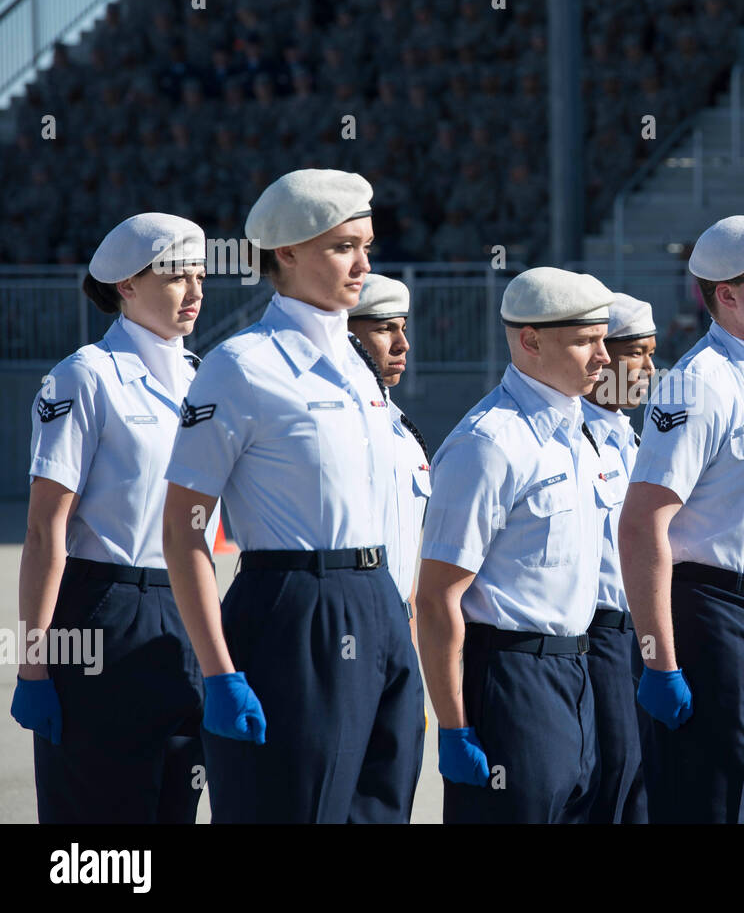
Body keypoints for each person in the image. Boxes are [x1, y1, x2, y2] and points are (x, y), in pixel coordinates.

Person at [162, 169, 424, 823]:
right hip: (296, 612)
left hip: (380, 604)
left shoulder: (358, 369)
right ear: (287, 253)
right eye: (343, 247)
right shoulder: (242, 366)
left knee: (380, 808)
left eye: (367, 245)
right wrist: (218, 671)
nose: (363, 263)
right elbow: (183, 529)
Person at [12, 214, 215, 823]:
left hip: (187, 609)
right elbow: (45, 528)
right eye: (177, 275)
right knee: (99, 823)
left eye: (201, 276)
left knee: (175, 803)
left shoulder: (205, 378)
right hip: (105, 608)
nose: (196, 291)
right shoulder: (84, 375)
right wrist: (32, 661)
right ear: (126, 284)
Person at [620, 215, 744, 824]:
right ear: (727, 295)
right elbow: (641, 525)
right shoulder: (696, 384)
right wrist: (659, 657)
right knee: (714, 804)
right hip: (718, 623)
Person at [417, 267, 612, 824]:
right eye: (584, 341)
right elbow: (435, 599)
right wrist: (454, 726)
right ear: (530, 340)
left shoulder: (576, 435)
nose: (603, 356)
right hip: (512, 678)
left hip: (576, 673)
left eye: (602, 338)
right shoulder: (490, 444)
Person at [581, 292, 657, 824]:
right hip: (597, 639)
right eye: (637, 353)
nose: (651, 369)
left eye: (654, 353)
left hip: (642, 635)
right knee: (607, 786)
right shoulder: (571, 435)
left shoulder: (632, 438)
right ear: (600, 354)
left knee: (642, 793)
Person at [347, 274, 431, 612]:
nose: (402, 344)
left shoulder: (405, 433)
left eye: (404, 329)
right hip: (348, 616)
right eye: (385, 329)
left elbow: (404, 560)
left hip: (395, 621)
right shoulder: (331, 424)